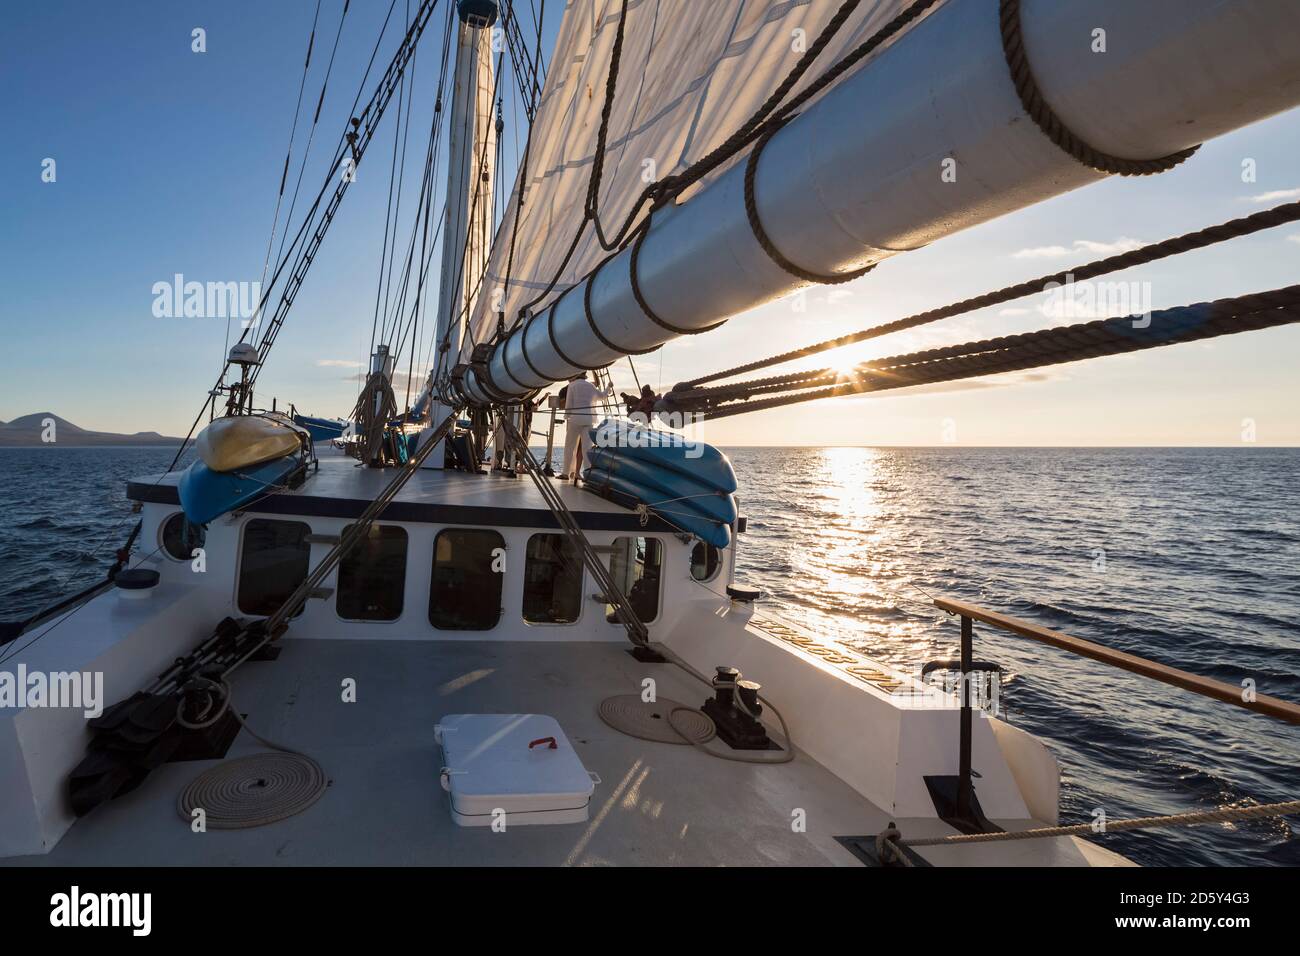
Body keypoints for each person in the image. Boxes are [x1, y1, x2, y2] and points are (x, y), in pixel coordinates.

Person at [560, 372, 611, 481]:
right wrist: (608, 387)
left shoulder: (572, 386)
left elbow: (569, 403)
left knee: (570, 446)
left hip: (575, 419)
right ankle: (588, 473)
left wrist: (566, 416)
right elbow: (602, 396)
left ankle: (565, 473)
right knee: (587, 447)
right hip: (588, 418)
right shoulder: (590, 386)